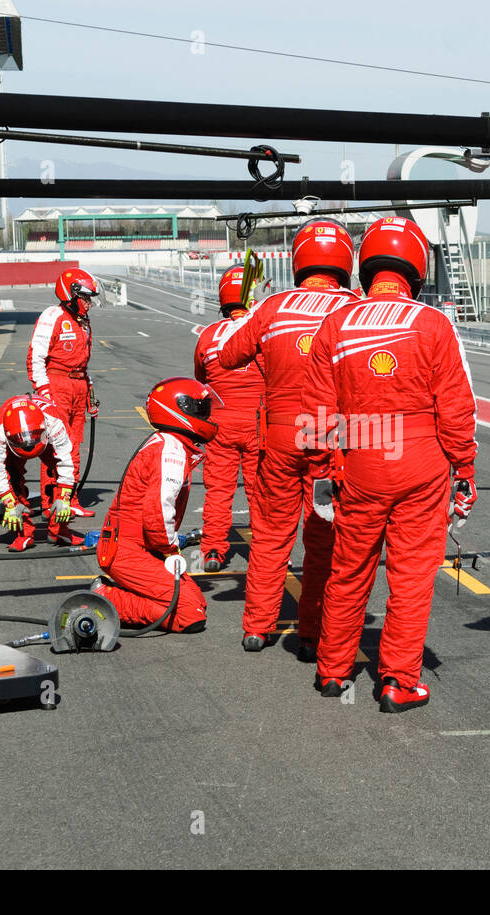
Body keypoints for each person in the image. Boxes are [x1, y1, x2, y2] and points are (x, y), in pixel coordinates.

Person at [303, 216, 478, 711]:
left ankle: (333, 671)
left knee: (349, 568)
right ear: (416, 268)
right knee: (412, 576)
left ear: (367, 268)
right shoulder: (435, 323)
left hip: (360, 461)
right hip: (422, 461)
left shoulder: (335, 324)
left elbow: (316, 410)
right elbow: (457, 408)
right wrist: (463, 470)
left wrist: (320, 471)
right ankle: (398, 680)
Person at [219, 219, 357, 658]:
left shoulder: (275, 306)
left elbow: (228, 355)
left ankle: (257, 628)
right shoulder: (357, 306)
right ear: (346, 262)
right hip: (331, 440)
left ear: (299, 261)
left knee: (270, 534)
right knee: (323, 538)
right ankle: (311, 633)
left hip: (277, 436)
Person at [91, 377, 218, 633]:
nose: (206, 415)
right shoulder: (170, 450)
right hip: (128, 550)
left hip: (137, 546)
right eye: (199, 409)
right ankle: (106, 597)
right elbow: (158, 510)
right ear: (178, 409)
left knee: (197, 603)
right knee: (190, 616)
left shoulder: (168, 442)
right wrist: (171, 550)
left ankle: (121, 592)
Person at [193, 265, 263, 572]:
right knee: (261, 492)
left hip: (220, 422)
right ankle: (267, 552)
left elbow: (200, 379)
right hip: (258, 422)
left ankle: (212, 551)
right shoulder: (264, 329)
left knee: (218, 491)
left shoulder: (208, 334)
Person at [29, 268, 100, 518]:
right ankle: (52, 501)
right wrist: (45, 391)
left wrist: (89, 391)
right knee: (58, 445)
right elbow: (35, 357)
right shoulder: (52, 315)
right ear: (71, 295)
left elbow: (81, 362)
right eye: (85, 298)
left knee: (74, 445)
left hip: (78, 385)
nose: (89, 304)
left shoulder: (83, 322)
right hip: (57, 385)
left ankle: (69, 497)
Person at [0, 394, 78, 551]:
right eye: (21, 440)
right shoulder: (0, 431)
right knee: (12, 479)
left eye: (32, 438)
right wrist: (10, 503)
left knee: (60, 477)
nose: (28, 444)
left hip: (47, 439)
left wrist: (65, 497)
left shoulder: (55, 423)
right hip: (17, 445)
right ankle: (24, 534)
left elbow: (69, 462)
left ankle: (59, 531)